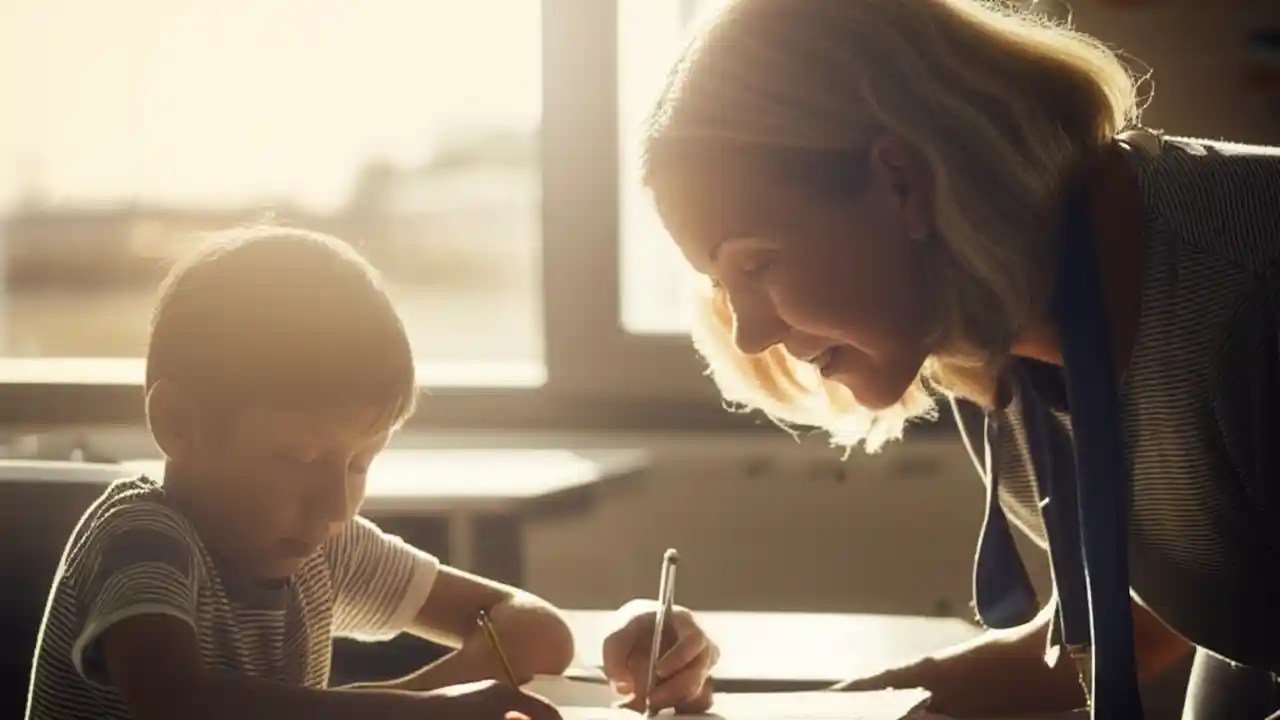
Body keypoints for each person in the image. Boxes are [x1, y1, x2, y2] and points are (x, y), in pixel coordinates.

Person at [639, 0, 1280, 717]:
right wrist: (828, 709)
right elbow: (1149, 609)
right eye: (722, 287)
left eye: (755, 264)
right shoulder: (996, 328)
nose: (750, 334)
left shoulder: (1253, 300)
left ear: (901, 183)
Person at [25, 227, 717, 720]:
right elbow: (175, 701)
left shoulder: (320, 548)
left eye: (361, 462)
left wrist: (421, 703)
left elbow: (534, 630)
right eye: (297, 459)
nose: (335, 501)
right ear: (180, 426)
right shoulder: (144, 537)